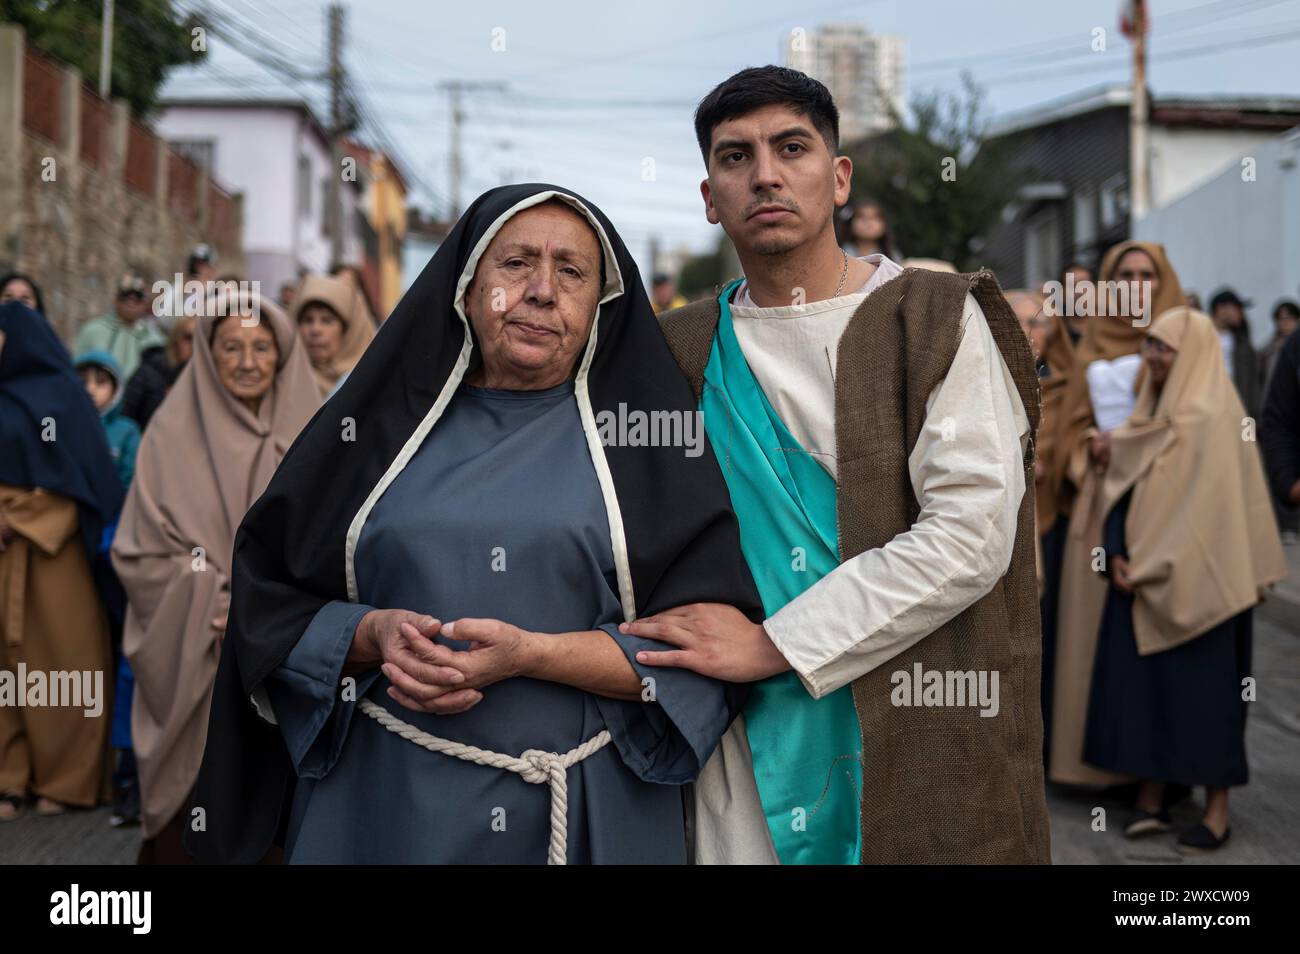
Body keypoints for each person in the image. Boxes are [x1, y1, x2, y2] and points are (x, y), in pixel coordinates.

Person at [184, 185, 762, 865]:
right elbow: (270, 605)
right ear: (464, 287)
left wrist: (534, 654)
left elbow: (703, 655)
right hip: (383, 806)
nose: (543, 290)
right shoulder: (372, 434)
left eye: (572, 271)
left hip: (580, 813)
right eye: (516, 263)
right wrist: (368, 634)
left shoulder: (645, 447)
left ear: (601, 300)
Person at [643, 66, 1049, 864]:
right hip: (742, 740)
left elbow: (970, 536)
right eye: (735, 157)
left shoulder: (934, 318)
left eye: (790, 148)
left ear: (837, 179)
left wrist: (776, 644)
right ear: (708, 195)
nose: (764, 174)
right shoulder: (678, 349)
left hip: (915, 714)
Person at [110, 290, 321, 862]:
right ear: (207, 354)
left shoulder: (318, 431)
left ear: (282, 354)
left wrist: (269, 615)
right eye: (231, 347)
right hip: (198, 651)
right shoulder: (170, 436)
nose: (248, 361)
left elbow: (341, 547)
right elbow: (141, 554)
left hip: (288, 660)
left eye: (261, 346)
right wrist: (210, 597)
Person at [1082, 307, 1286, 850]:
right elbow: (1123, 491)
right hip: (1141, 579)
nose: (1152, 355)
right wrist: (1118, 553)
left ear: (1192, 352)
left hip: (1209, 587)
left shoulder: (1218, 417)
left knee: (1210, 697)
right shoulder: (1147, 412)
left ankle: (1217, 810)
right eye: (1149, 344)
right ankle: (1153, 793)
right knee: (1149, 691)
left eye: (1164, 347)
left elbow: (1221, 514)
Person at [1048, 240, 1185, 787]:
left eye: (1146, 274)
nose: (1135, 285)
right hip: (1102, 508)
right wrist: (1091, 451)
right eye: (1123, 275)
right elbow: (1067, 439)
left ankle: (1162, 775)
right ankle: (1099, 771)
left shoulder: (1183, 342)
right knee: (1096, 638)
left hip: (1169, 506)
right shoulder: (1092, 348)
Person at [0, 302, 123, 821]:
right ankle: (10, 778)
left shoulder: (63, 399)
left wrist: (15, 517)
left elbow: (86, 485)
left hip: (55, 553)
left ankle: (69, 779)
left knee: (65, 665)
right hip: (6, 557)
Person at [293, 274, 376, 395]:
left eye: (327, 320)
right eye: (307, 320)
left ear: (348, 330)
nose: (315, 330)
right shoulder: (281, 383)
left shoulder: (369, 384)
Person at [75, 274, 166, 383]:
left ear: (145, 304)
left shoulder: (154, 340)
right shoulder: (92, 331)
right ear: (116, 300)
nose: (131, 303)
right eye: (125, 297)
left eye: (138, 298)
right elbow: (76, 369)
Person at [74, 351, 141, 491]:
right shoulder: (57, 425)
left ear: (116, 390)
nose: (90, 389)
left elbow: (130, 480)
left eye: (101, 382)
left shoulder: (128, 431)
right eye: (82, 381)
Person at [120, 316, 196, 431]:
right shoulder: (148, 373)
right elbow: (126, 418)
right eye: (189, 337)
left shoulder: (209, 378)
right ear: (176, 339)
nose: (195, 344)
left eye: (201, 339)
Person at [1262, 319, 1300, 546]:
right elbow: (1279, 419)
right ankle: (1288, 526)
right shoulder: (1291, 346)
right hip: (1247, 419)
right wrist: (1288, 485)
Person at [1208, 287, 1261, 418]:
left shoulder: (1243, 344)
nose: (1241, 314)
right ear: (1221, 308)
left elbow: (1253, 386)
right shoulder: (1200, 336)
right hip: (1208, 409)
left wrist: (1252, 421)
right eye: (1237, 308)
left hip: (1239, 411)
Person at [1260, 299, 1299, 398]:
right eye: (1281, 319)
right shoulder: (1267, 351)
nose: (1285, 323)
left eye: (1289, 319)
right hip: (1276, 399)